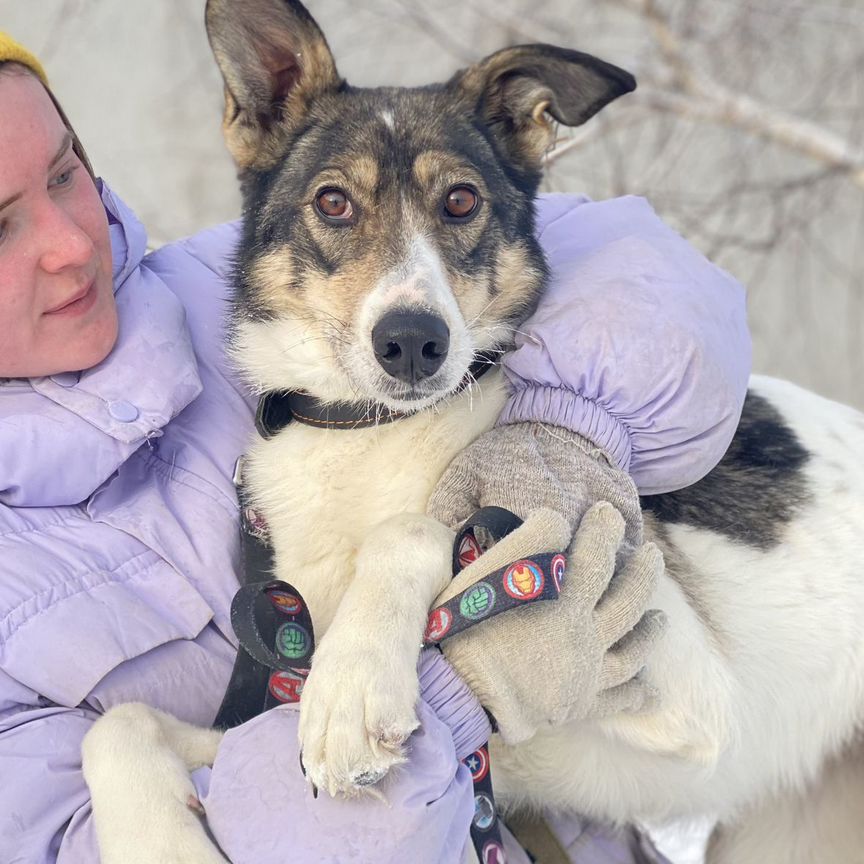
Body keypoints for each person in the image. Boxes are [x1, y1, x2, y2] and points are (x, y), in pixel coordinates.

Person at [0, 31, 750, 864]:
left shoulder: (204, 286)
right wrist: (459, 685)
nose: (73, 246)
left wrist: (563, 438)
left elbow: (653, 269)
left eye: (65, 173)